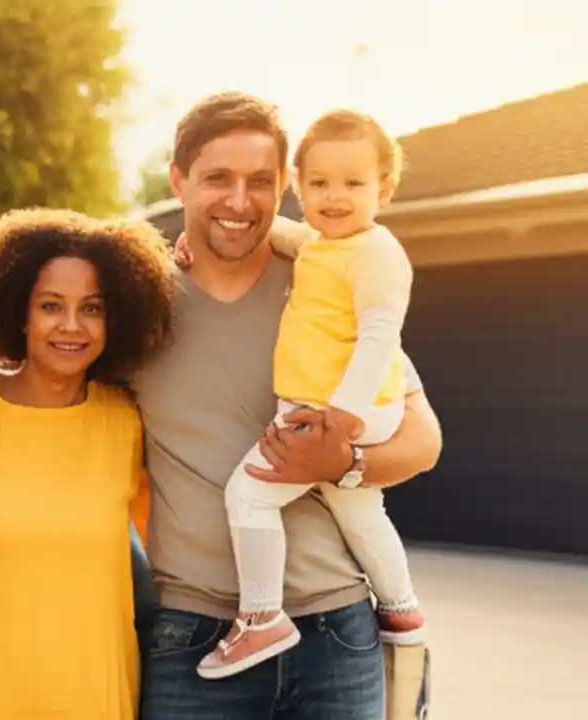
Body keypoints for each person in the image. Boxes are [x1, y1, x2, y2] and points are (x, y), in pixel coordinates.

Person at [0, 92, 443, 719]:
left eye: (260, 182)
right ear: (179, 180)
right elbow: (55, 373)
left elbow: (422, 438)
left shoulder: (325, 284)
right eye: (218, 178)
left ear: (285, 189)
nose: (239, 201)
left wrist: (345, 462)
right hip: (192, 637)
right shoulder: (138, 309)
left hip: (334, 629)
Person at [198, 109, 427, 680]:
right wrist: (192, 239)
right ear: (298, 186)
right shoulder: (327, 245)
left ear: (385, 188)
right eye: (319, 183)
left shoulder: (376, 253)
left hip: (338, 411)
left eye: (354, 183)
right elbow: (284, 231)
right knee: (359, 508)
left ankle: (260, 617)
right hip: (341, 408)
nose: (335, 196)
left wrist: (342, 420)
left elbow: (379, 337)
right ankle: (401, 607)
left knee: (249, 495)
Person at [0, 208, 175, 719]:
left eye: (93, 308)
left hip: (101, 702)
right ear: (20, 311)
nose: (71, 326)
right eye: (51, 306)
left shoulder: (128, 420)